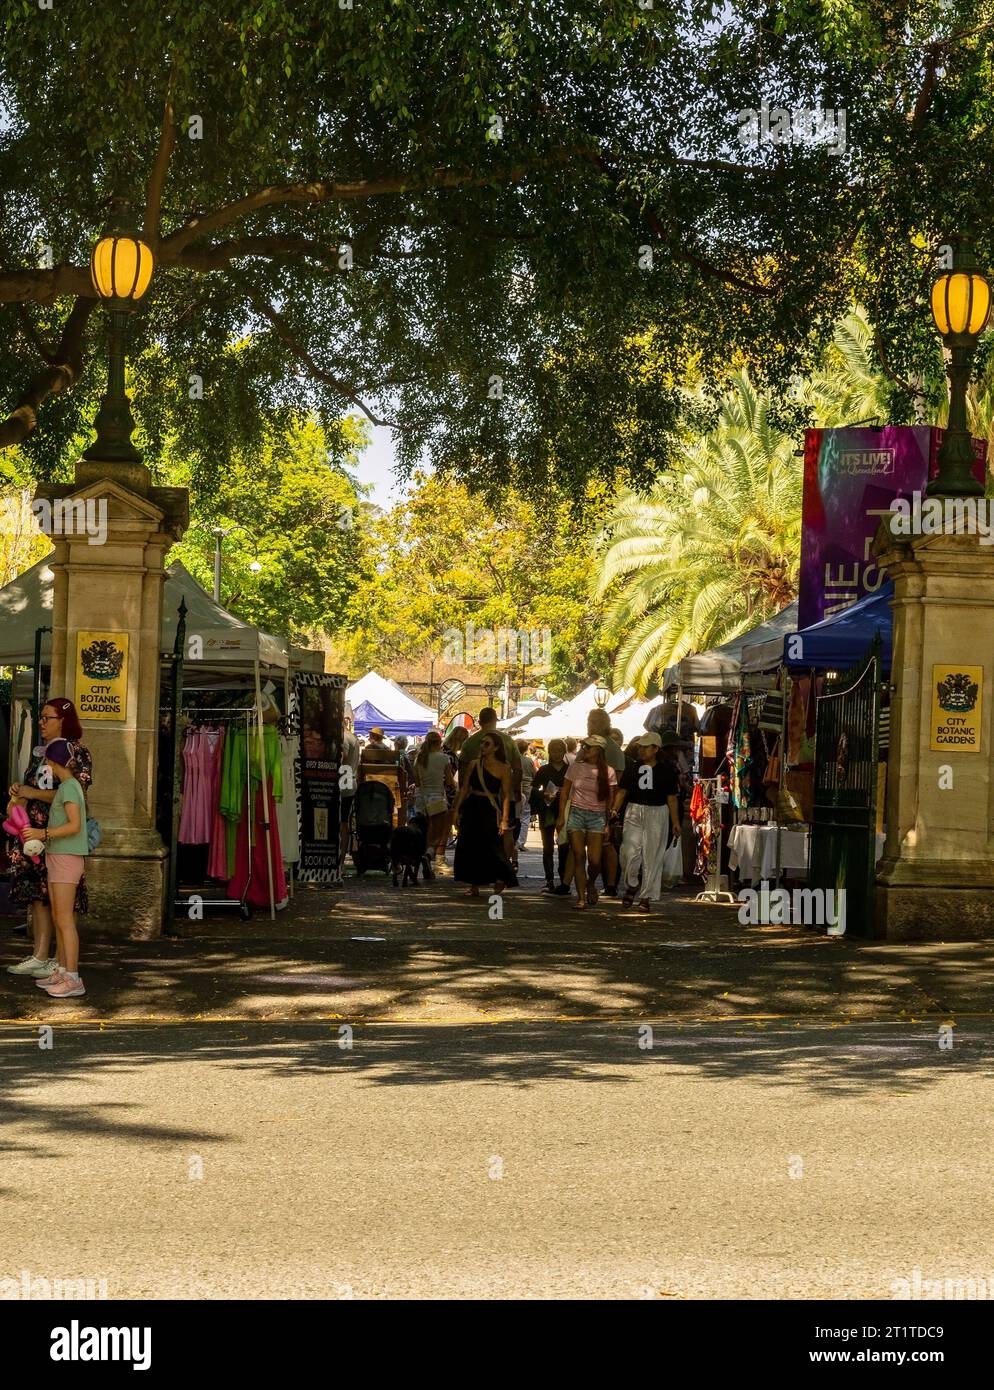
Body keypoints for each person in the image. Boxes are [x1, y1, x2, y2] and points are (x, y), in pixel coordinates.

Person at [6, 698, 92, 980]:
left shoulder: (76, 753)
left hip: (56, 836)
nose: (41, 723)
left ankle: (62, 962)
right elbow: (34, 786)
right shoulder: (39, 753)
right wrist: (21, 791)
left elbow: (73, 795)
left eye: (47, 718)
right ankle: (40, 956)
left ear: (63, 720)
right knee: (38, 895)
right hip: (32, 834)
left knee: (63, 900)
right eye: (40, 718)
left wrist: (33, 794)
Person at [16, 740, 90, 997]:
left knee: (65, 920)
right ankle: (63, 969)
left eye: (47, 760)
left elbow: (75, 825)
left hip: (66, 858)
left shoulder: (69, 788)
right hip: (60, 856)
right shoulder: (67, 787)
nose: (45, 764)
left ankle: (73, 977)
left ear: (53, 762)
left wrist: (42, 833)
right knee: (61, 918)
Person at [613, 731, 681, 915]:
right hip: (634, 810)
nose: (641, 750)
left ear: (655, 749)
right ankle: (632, 883)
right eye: (640, 747)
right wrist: (614, 810)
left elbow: (672, 798)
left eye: (646, 747)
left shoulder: (667, 770)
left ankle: (646, 897)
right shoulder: (633, 768)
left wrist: (675, 822)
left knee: (653, 856)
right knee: (628, 851)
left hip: (657, 812)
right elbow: (622, 791)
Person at [451, 732, 517, 897]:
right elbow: (464, 788)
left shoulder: (504, 768)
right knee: (470, 844)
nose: (482, 746)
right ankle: (474, 884)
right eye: (482, 743)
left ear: (496, 747)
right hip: (473, 806)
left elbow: (507, 795)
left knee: (492, 845)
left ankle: (501, 877)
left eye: (486, 744)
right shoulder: (474, 764)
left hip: (489, 808)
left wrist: (504, 820)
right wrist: (456, 810)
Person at [557, 734, 617, 911]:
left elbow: (609, 800)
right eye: (584, 747)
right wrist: (562, 816)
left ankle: (591, 883)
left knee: (595, 860)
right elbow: (565, 792)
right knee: (578, 856)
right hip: (577, 813)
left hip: (597, 816)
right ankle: (581, 896)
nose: (585, 750)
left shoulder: (609, 771)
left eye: (588, 747)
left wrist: (608, 823)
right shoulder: (576, 767)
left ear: (598, 750)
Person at [459, 708, 522, 860]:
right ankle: (505, 867)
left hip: (477, 796)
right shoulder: (508, 740)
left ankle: (480, 868)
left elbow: (462, 774)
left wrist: (462, 797)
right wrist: (516, 790)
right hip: (504, 795)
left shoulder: (469, 742)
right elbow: (518, 769)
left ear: (479, 722)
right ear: (495, 720)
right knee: (507, 832)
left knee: (477, 834)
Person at [532, 738, 570, 893]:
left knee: (564, 846)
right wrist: (544, 795)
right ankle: (549, 879)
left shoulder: (570, 769)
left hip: (565, 810)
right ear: (550, 752)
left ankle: (563, 880)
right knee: (547, 846)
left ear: (564, 752)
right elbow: (534, 789)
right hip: (547, 810)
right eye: (554, 751)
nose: (556, 754)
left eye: (559, 751)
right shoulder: (544, 770)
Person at [413, 730, 455, 866]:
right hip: (437, 797)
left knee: (424, 828)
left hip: (421, 798)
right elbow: (449, 781)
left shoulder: (419, 758)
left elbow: (417, 782)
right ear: (439, 743)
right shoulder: (443, 758)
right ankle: (429, 852)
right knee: (439, 830)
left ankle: (424, 853)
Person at [339, 717, 361, 874]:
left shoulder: (344, 737)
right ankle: (340, 860)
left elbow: (343, 755)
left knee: (341, 822)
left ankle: (339, 859)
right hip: (350, 781)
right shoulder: (353, 737)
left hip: (342, 782)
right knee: (344, 822)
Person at [514, 738, 537, 862]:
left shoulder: (512, 760)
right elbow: (535, 774)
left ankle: (515, 841)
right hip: (527, 789)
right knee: (525, 815)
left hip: (516, 788)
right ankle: (521, 842)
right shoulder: (529, 761)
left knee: (516, 814)